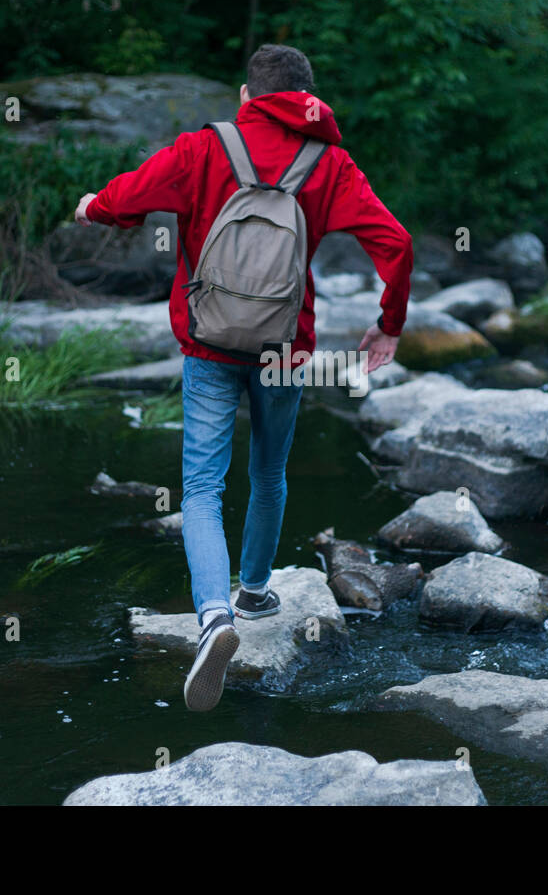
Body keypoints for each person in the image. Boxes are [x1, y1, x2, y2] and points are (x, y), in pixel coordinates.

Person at [74, 44, 412, 711]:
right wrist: (390, 322)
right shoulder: (330, 163)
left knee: (201, 485)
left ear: (245, 95)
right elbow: (394, 242)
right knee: (269, 473)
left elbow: (129, 197)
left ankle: (213, 617)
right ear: (307, 100)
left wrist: (92, 208)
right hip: (285, 347)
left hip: (208, 343)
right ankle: (253, 589)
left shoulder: (205, 147)